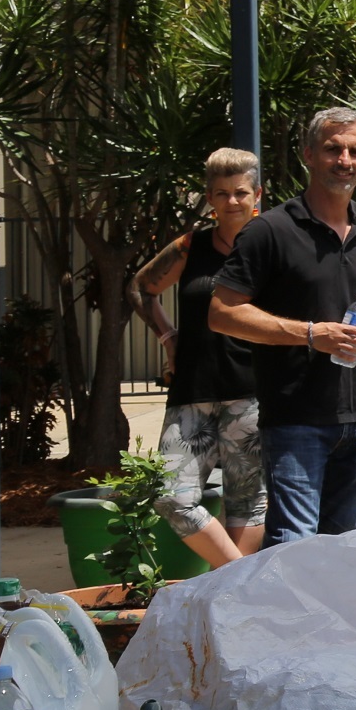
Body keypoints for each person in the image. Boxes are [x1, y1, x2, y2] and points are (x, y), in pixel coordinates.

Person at [208, 108, 356, 544]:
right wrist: (310, 334)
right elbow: (223, 313)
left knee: (346, 547)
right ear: (309, 154)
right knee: (296, 546)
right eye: (332, 149)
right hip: (295, 419)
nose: (344, 159)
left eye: (355, 151)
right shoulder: (269, 231)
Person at [127, 148, 267, 567]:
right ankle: (238, 578)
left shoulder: (274, 244)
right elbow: (140, 288)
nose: (232, 202)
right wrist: (168, 337)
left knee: (248, 505)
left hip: (254, 393)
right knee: (172, 496)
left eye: (241, 192)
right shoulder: (191, 246)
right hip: (192, 390)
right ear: (209, 197)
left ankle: (231, 603)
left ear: (257, 194)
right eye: (221, 193)